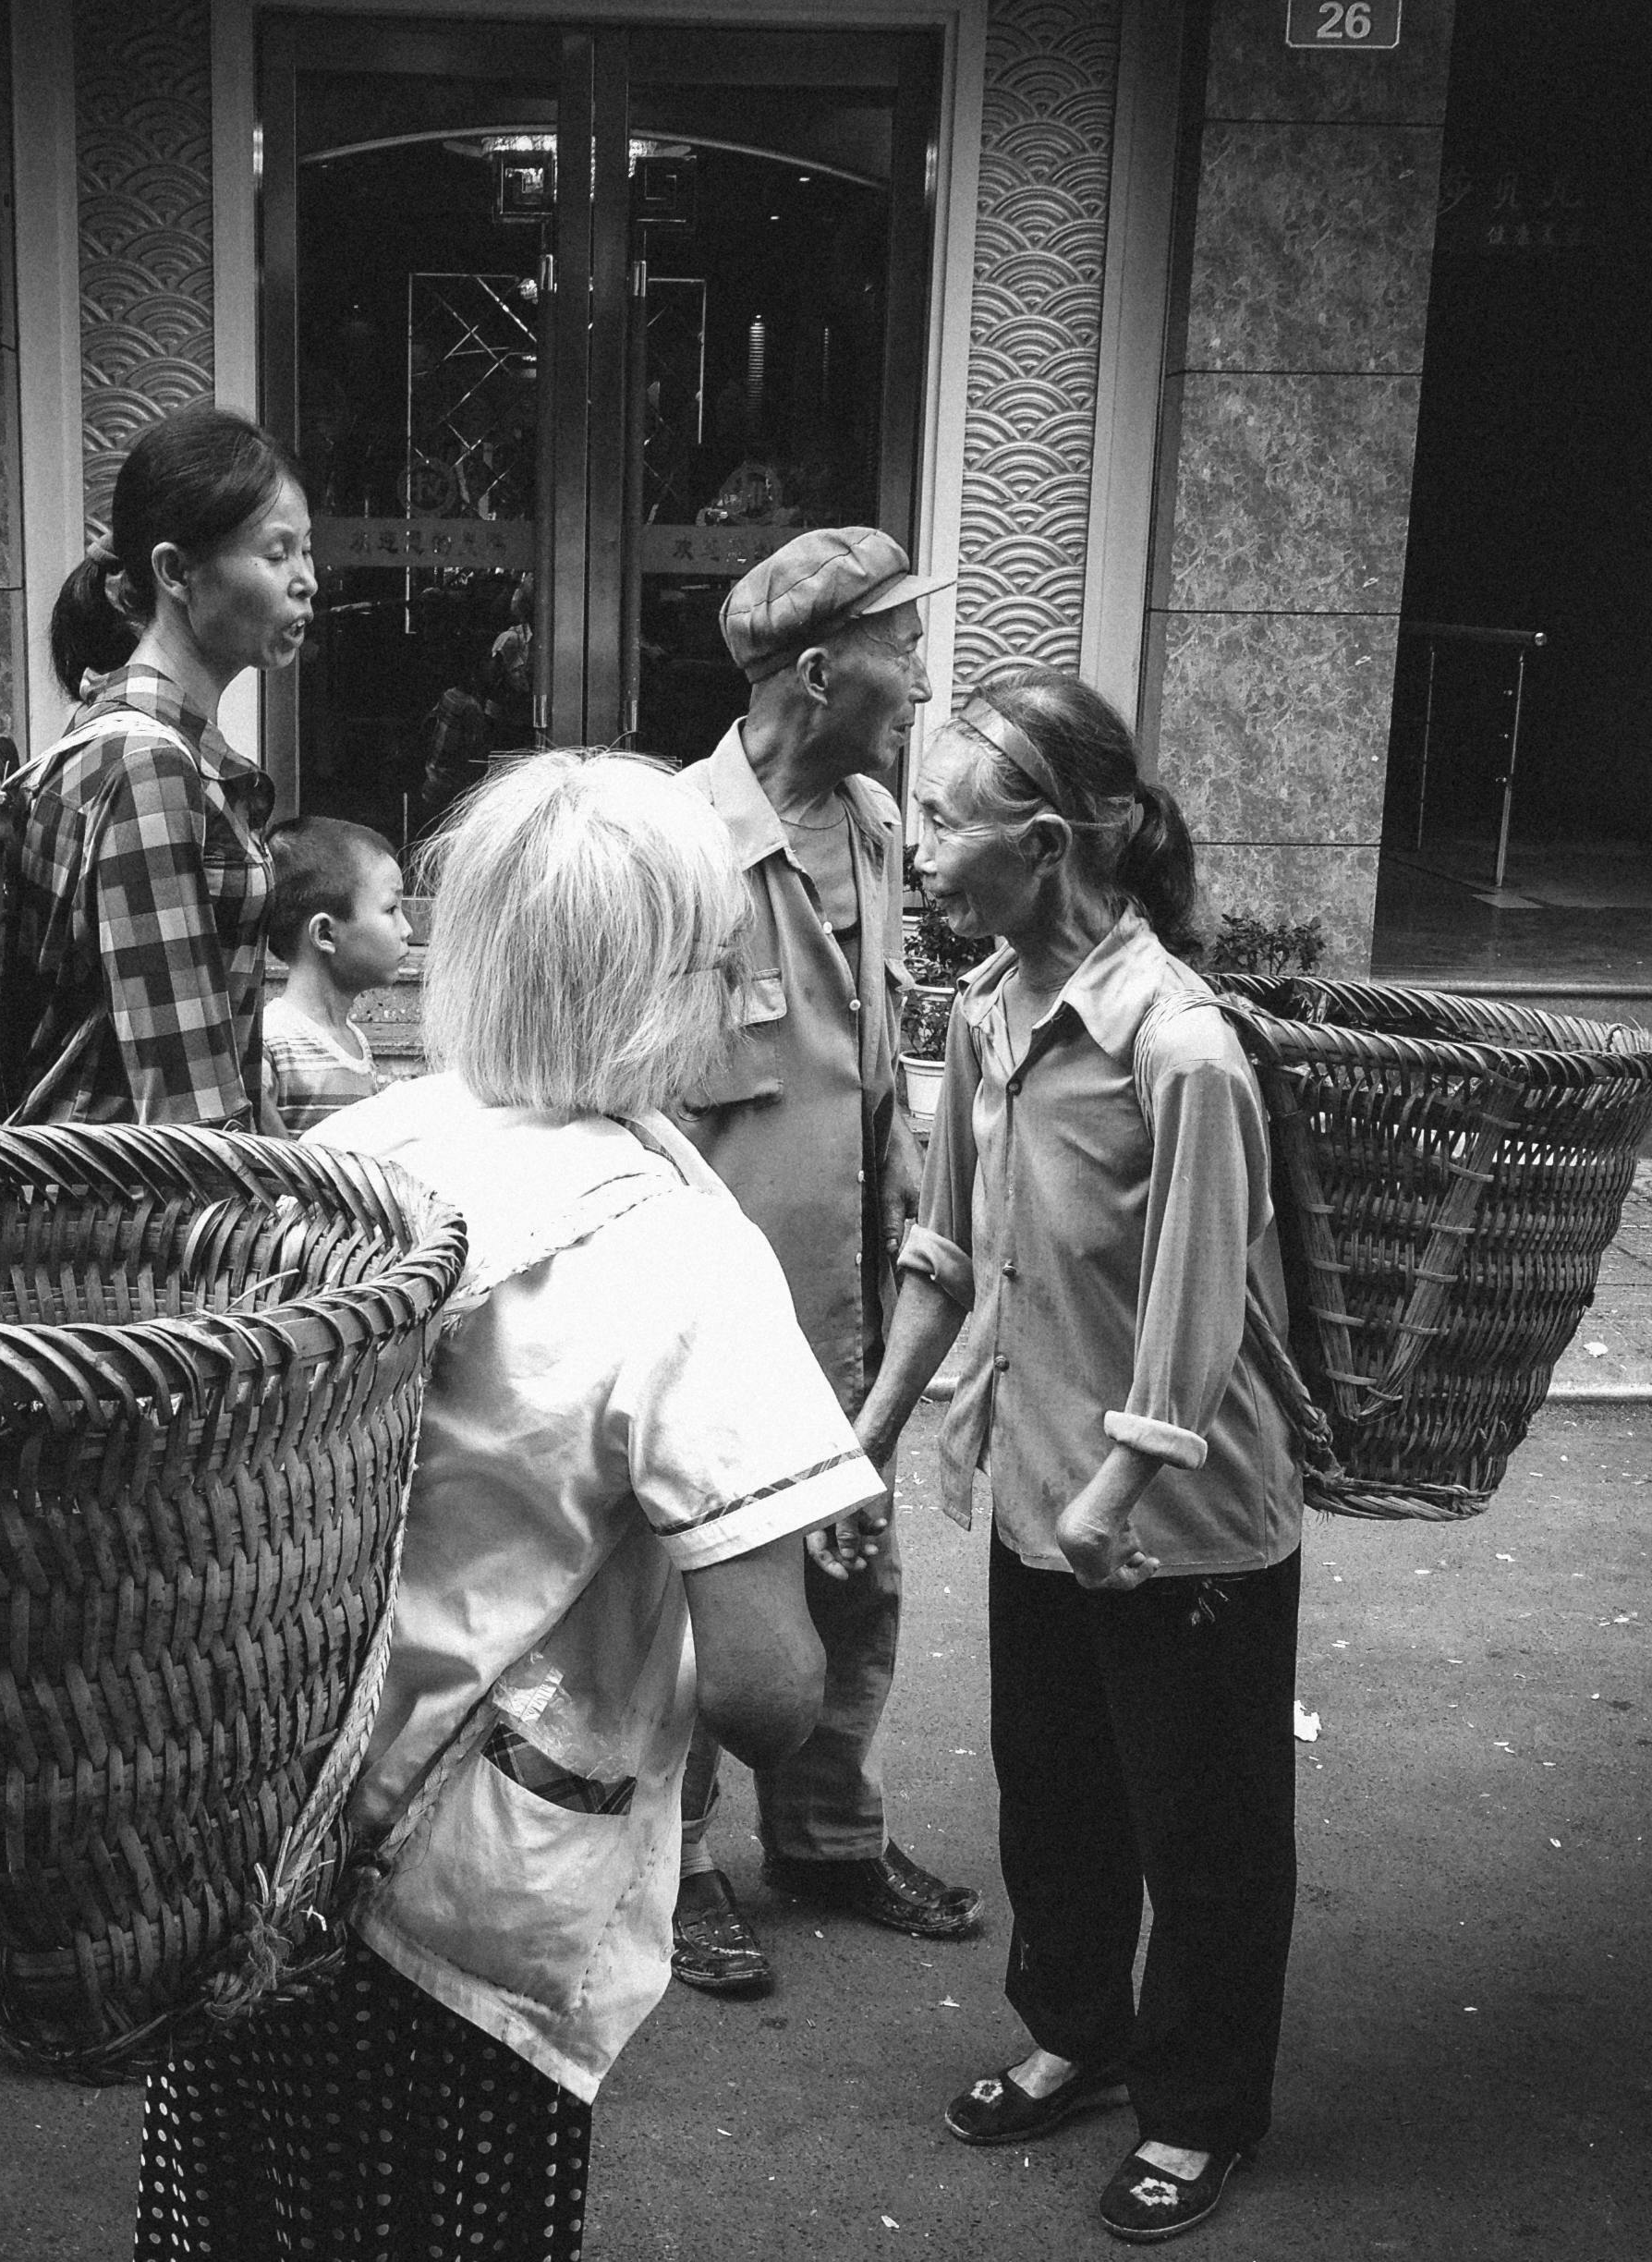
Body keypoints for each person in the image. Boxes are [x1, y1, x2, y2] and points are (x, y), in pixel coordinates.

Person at [136, 751, 881, 2260]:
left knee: (251, 2219)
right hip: (477, 1900)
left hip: (270, 1840)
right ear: (679, 982)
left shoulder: (355, 1154)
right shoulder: (685, 1257)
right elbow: (766, 1694)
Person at [852, 666, 1305, 2245]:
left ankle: (1199, 2106)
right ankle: (1077, 2033)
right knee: (1052, 1791)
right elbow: (943, 1253)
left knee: (1204, 1821)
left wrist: (1117, 1490)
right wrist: (871, 1432)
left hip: (1176, 1513)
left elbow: (1197, 1302)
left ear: (1039, 841)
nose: (918, 843)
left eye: (940, 816)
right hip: (1041, 1484)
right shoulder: (984, 1009)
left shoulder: (1174, 1044)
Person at [668, 526, 978, 1997]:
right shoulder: (672, 850)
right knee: (698, 1602)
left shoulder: (866, 817)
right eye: (900, 646)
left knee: (858, 1578)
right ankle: (673, 1871)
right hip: (720, 1314)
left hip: (856, 1297)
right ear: (815, 668)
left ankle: (829, 1837)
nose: (920, 675)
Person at [0, 404, 313, 1128]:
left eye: (307, 551)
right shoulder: (144, 766)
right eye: (276, 553)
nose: (305, 581)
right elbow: (186, 1109)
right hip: (120, 1221)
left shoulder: (148, 747)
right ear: (175, 572)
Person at [261, 815, 409, 1133]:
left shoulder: (356, 1042)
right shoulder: (271, 1042)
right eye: (391, 910)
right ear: (325, 934)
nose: (407, 929)